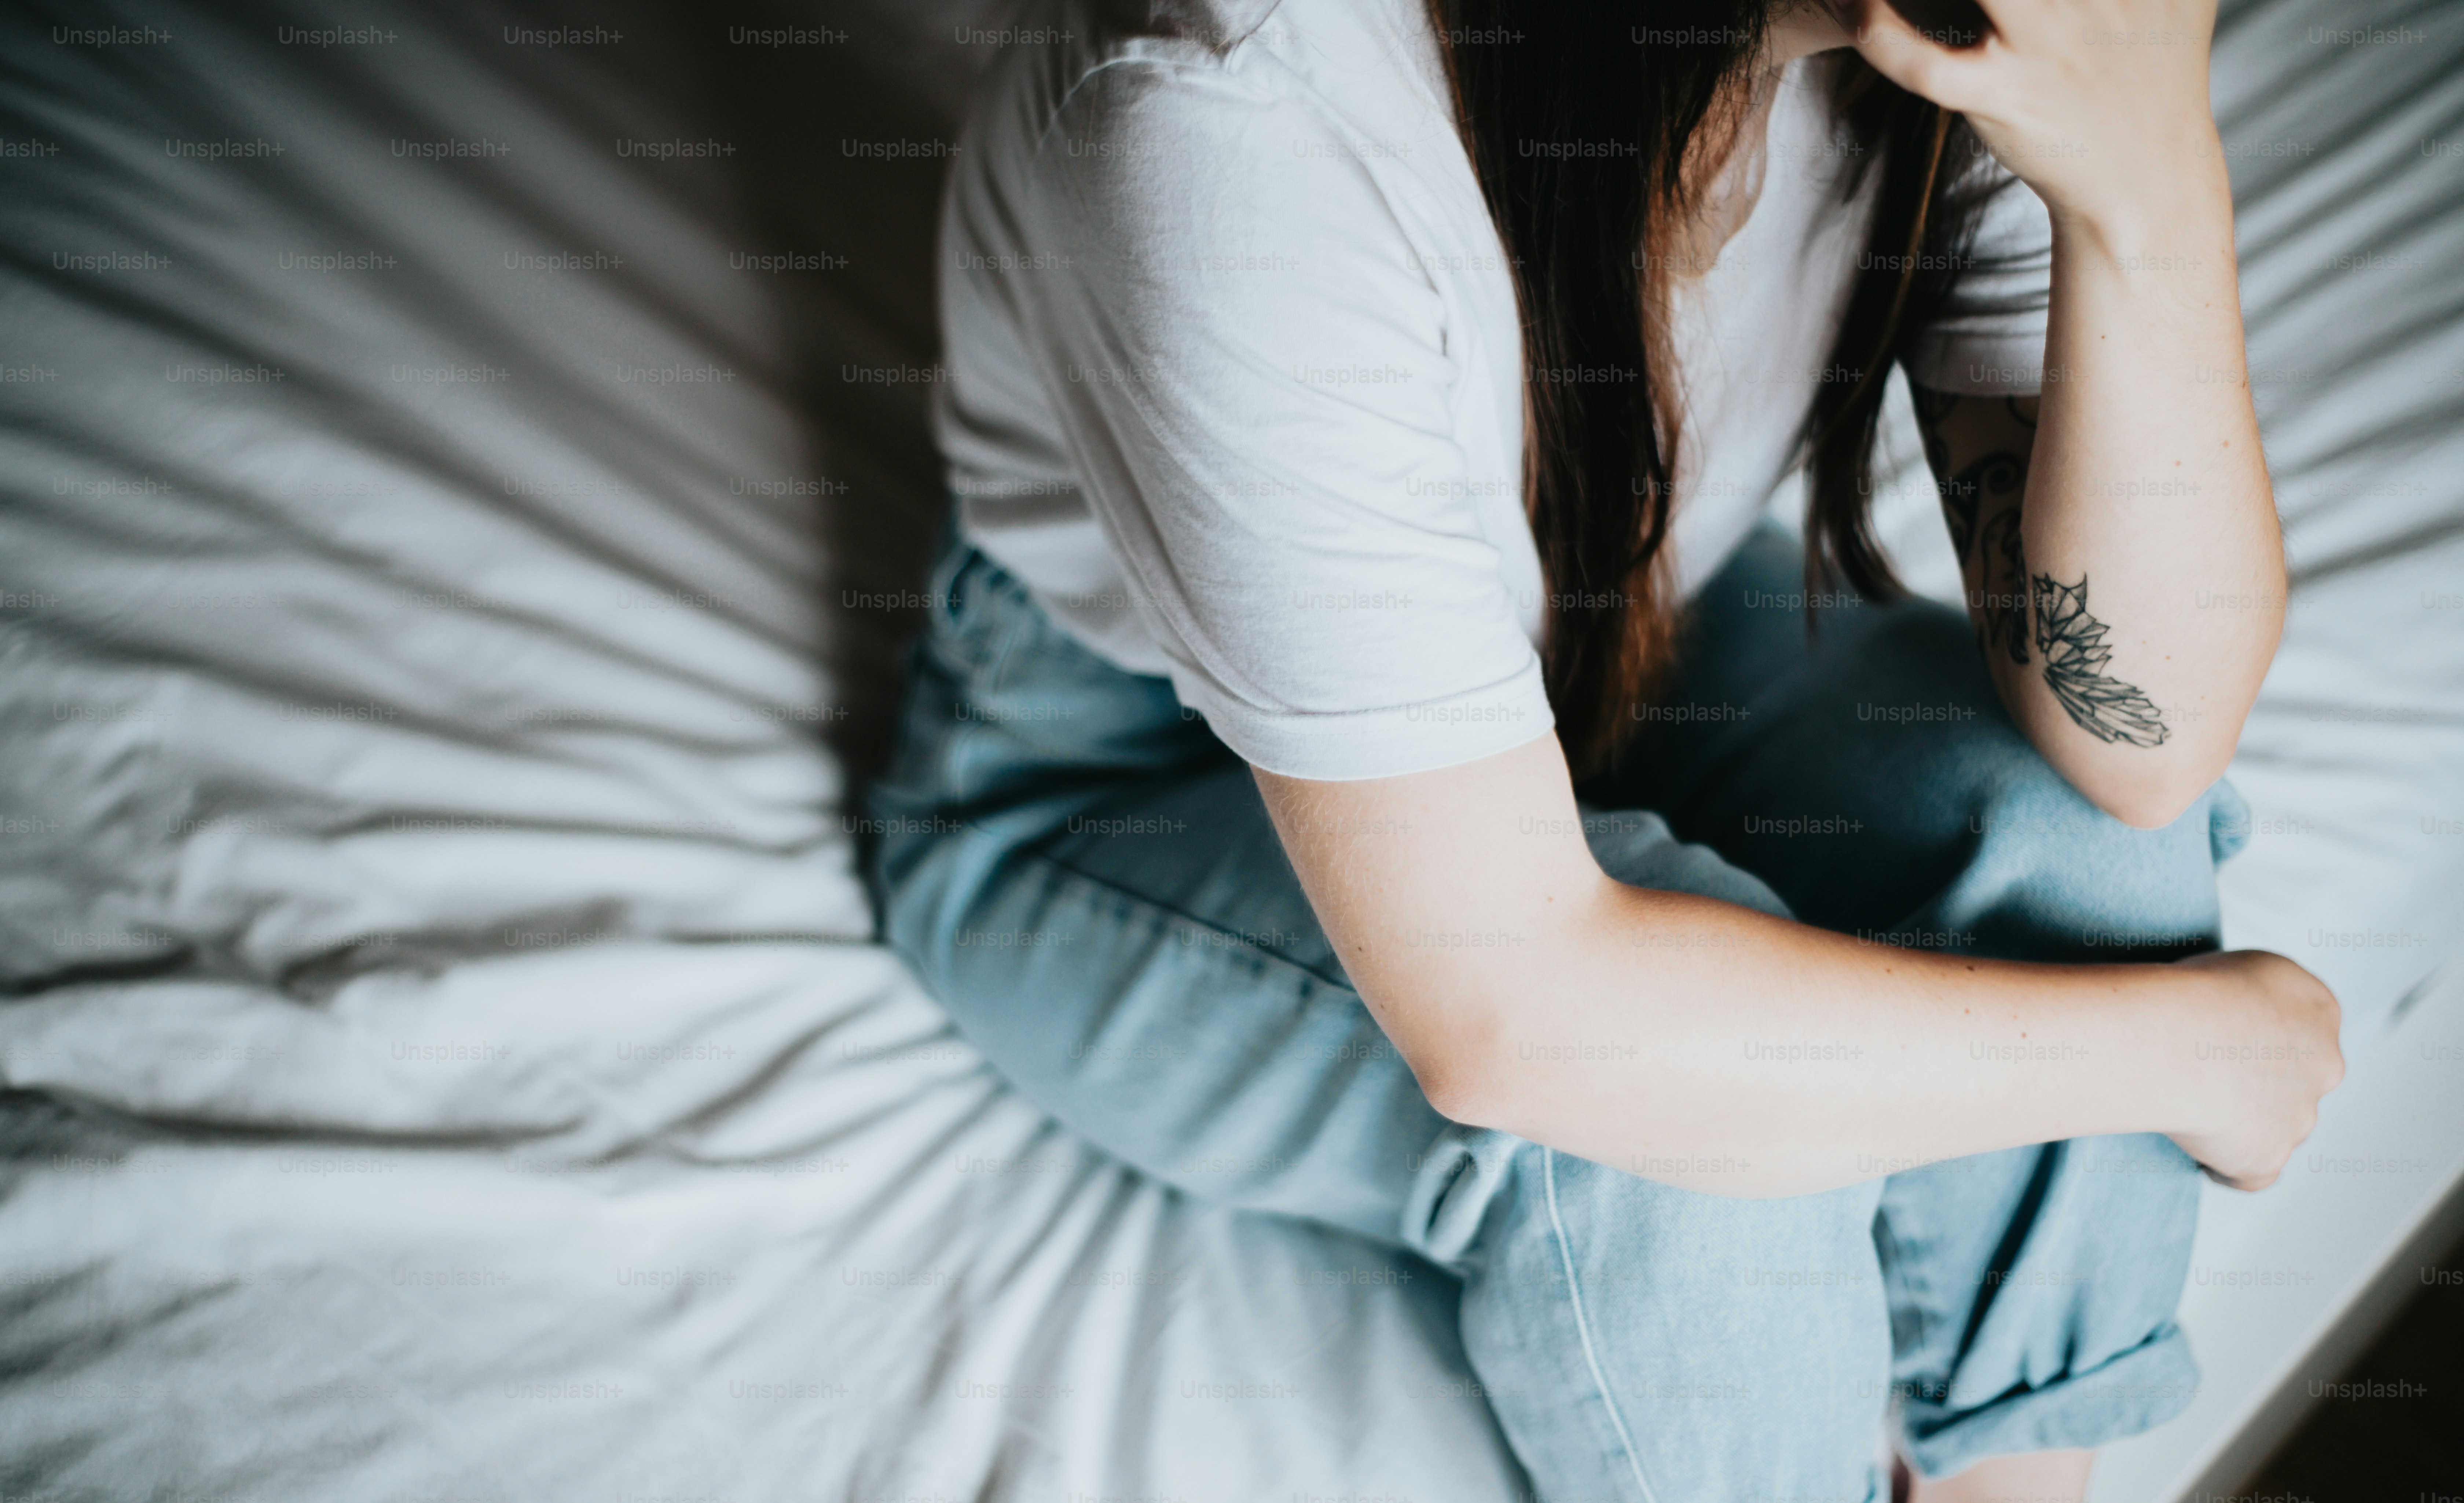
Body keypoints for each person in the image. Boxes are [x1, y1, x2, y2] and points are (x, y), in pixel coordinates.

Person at [867, 0, 2346, 1497]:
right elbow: (1518, 1011)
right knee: (1660, 1130)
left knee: (2073, 849)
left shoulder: (1965, 43)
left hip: (1610, 607)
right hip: (1107, 770)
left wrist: (2146, 188)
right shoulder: (1233, 113)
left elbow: (2142, 747)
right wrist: (2179, 1052)